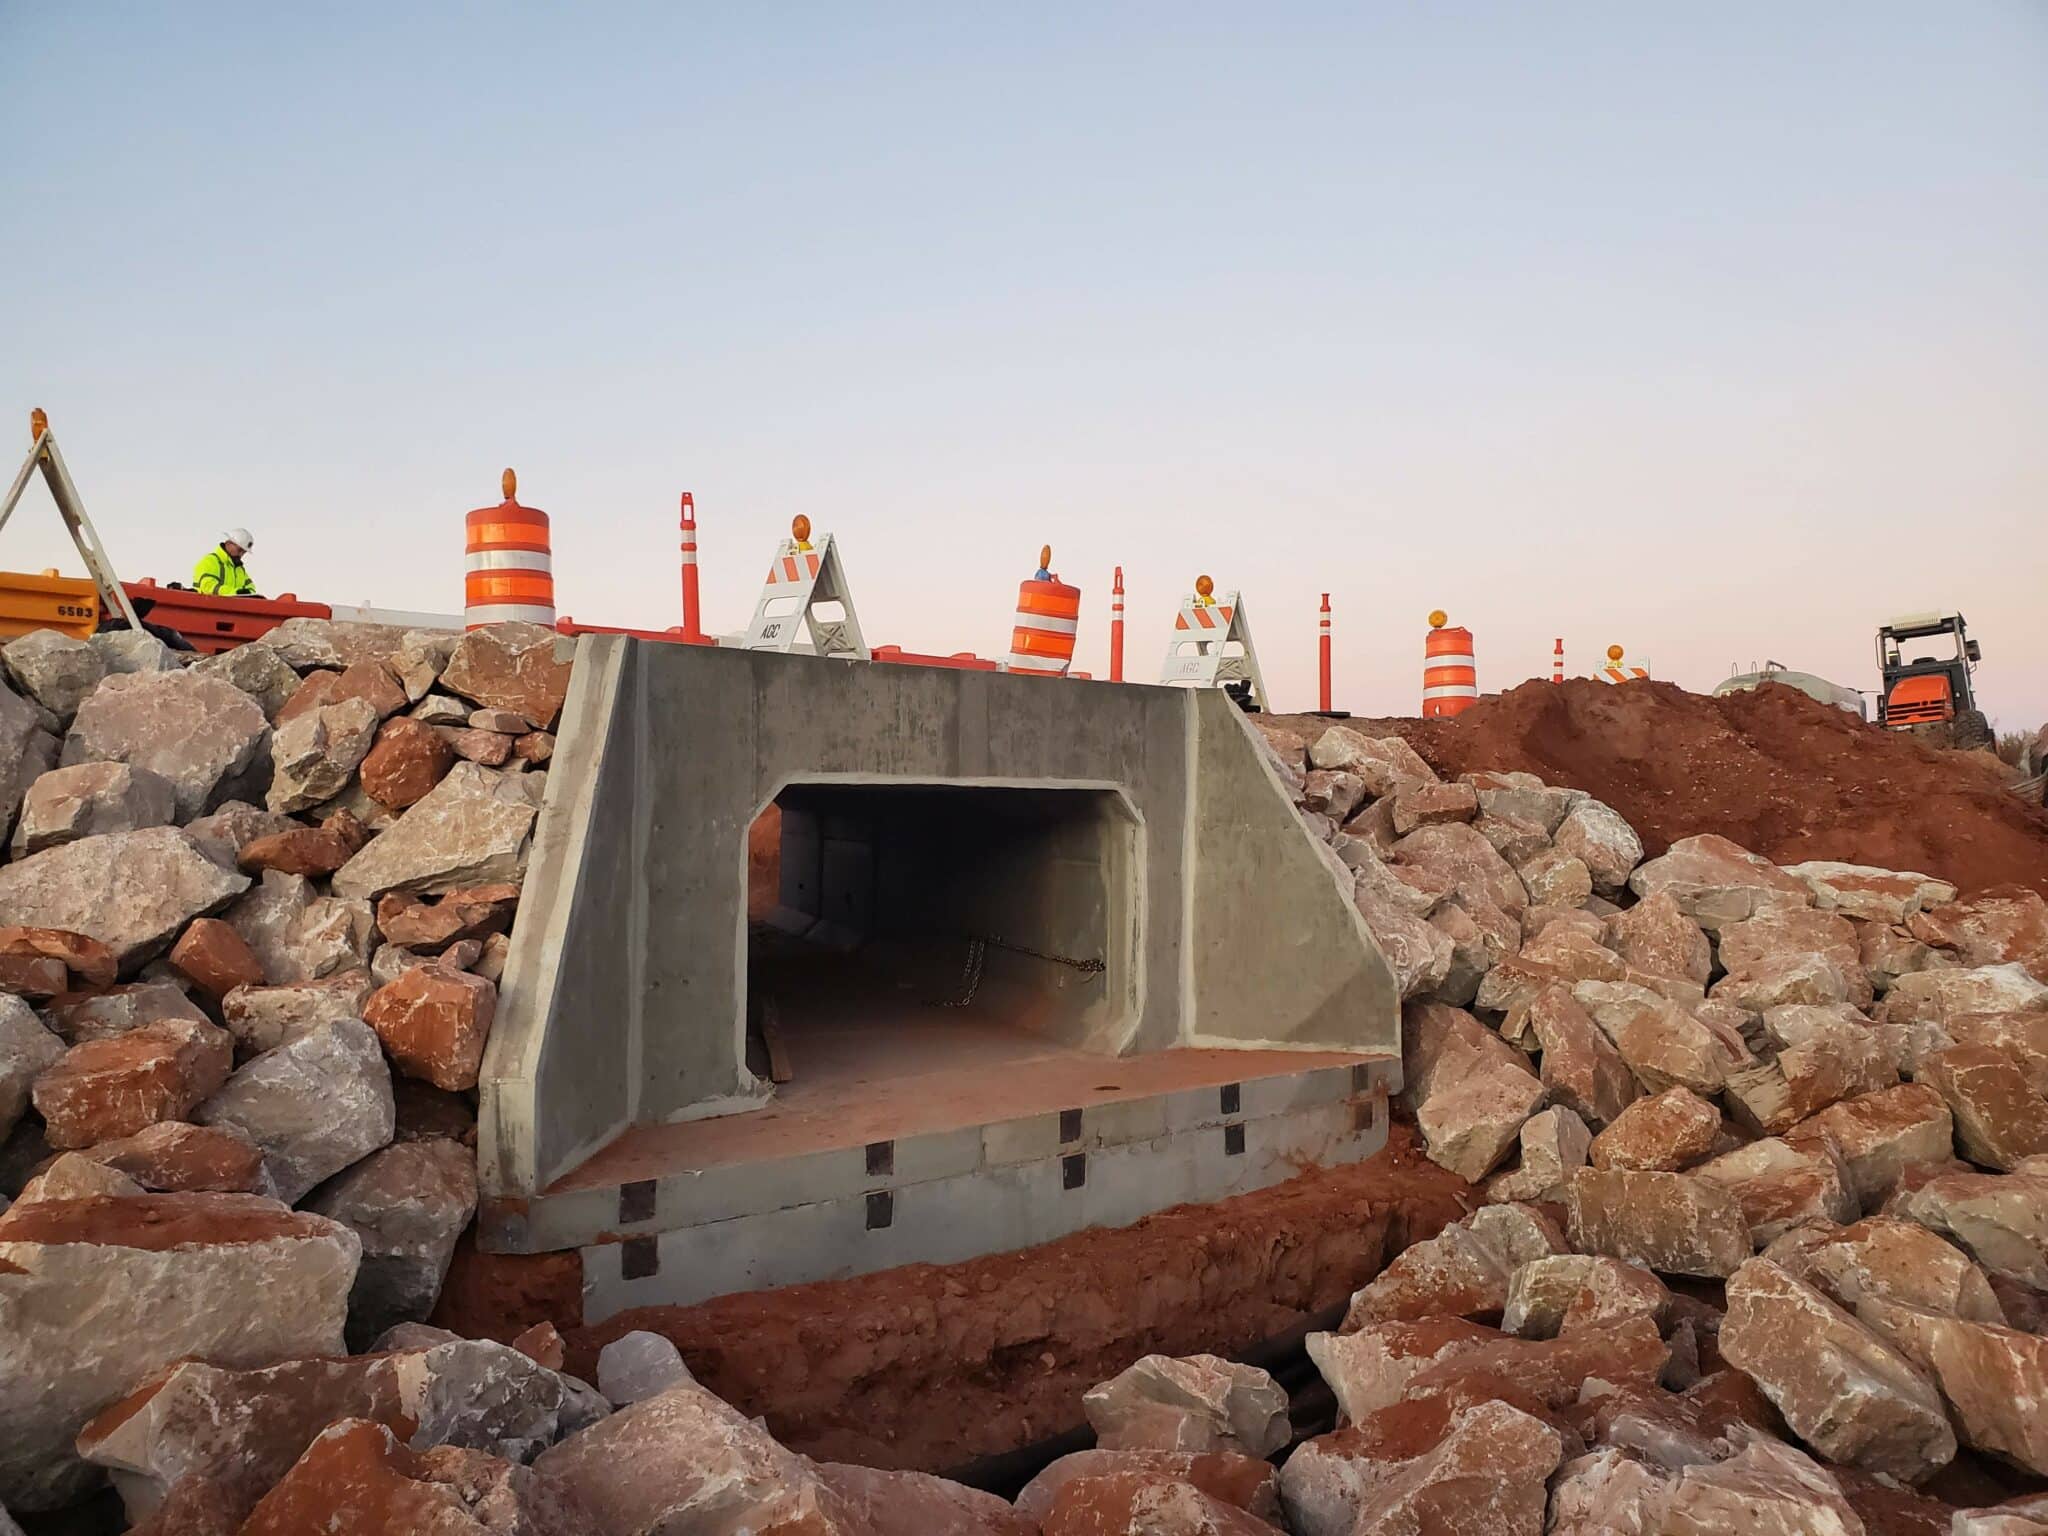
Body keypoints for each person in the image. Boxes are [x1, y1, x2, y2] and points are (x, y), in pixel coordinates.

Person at [193, 528, 258, 596]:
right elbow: (207, 586)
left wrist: (246, 594)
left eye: (244, 552)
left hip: (230, 603)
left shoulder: (239, 569)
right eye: (239, 550)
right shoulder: (210, 561)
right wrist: (235, 592)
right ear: (229, 543)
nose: (241, 554)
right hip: (203, 602)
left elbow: (251, 588)